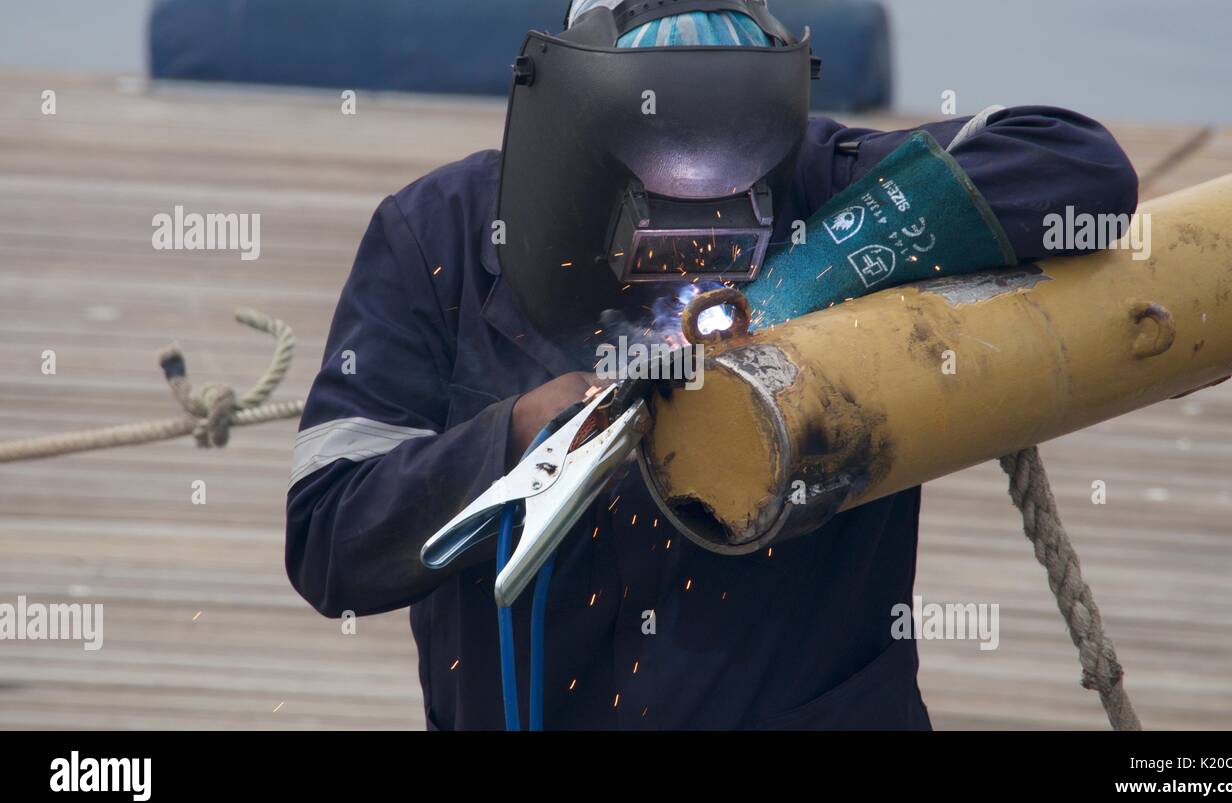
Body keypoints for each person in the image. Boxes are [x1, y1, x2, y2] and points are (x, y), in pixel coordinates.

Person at [285, 0, 1138, 729]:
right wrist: (513, 436)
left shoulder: (825, 186)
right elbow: (329, 535)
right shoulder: (436, 237)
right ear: (576, 124)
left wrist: (795, 288)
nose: (700, 219)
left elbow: (1080, 167)